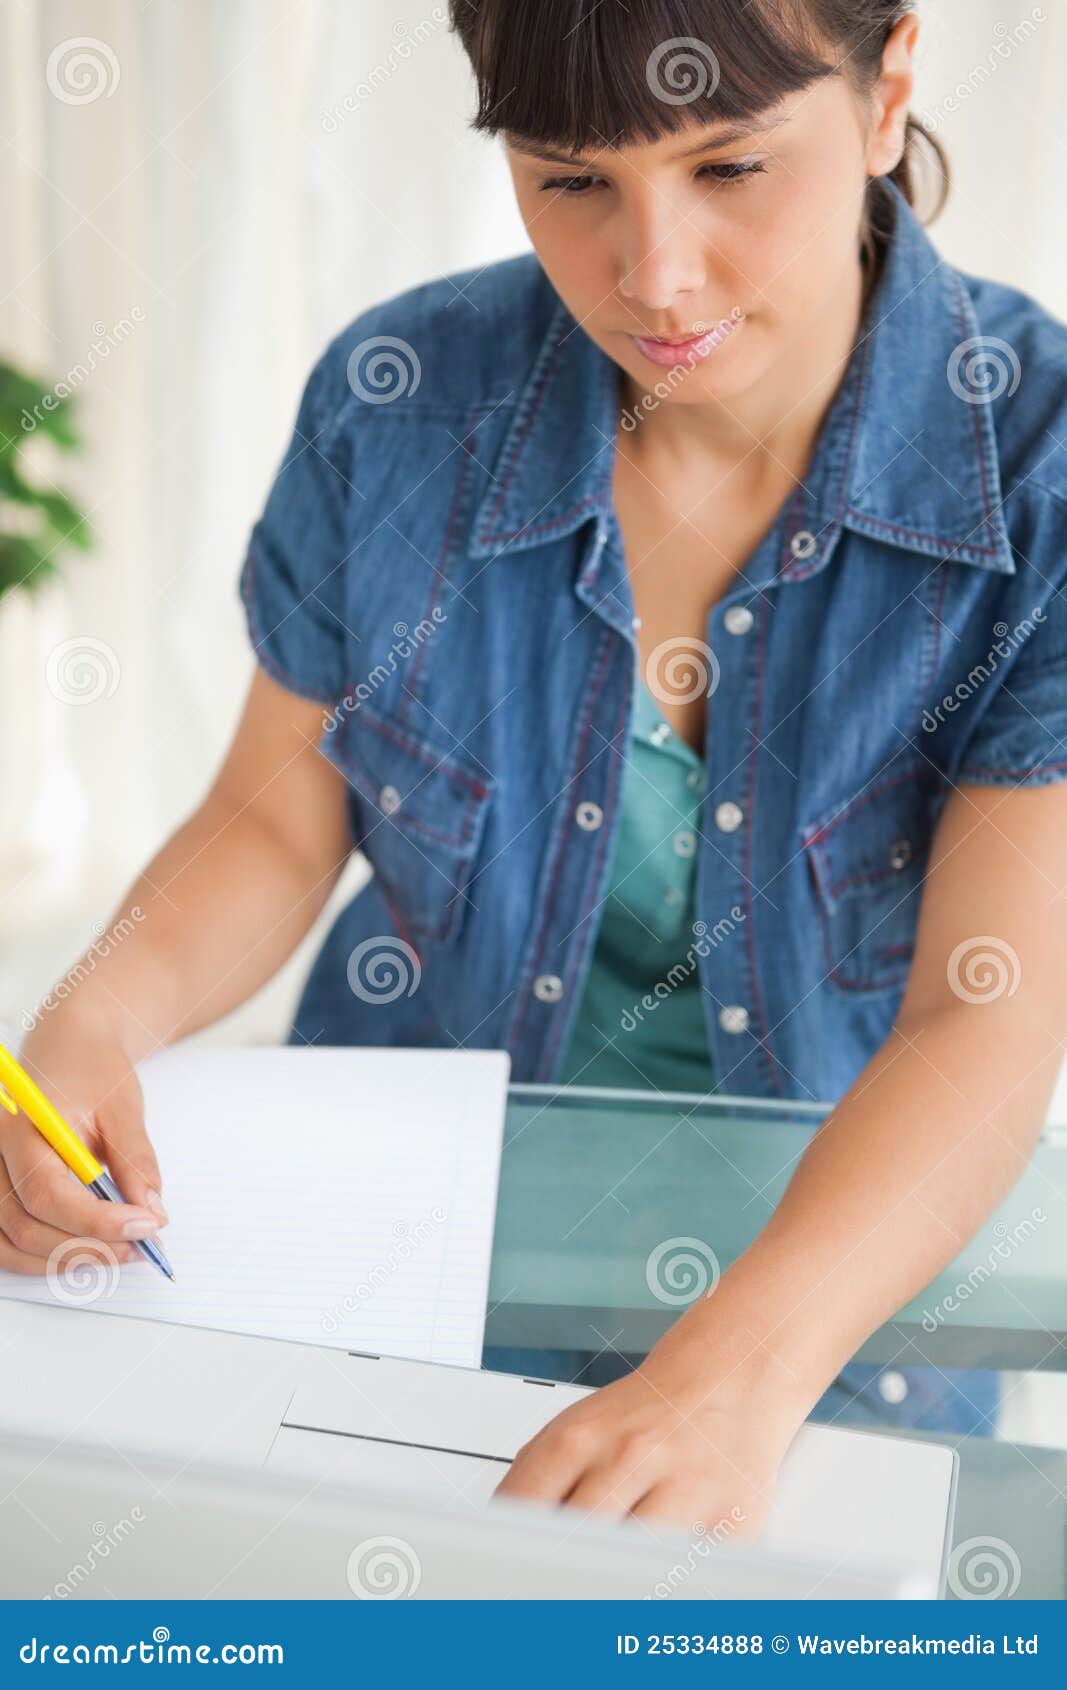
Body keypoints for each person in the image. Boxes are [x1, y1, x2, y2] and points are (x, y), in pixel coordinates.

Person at [6, 0, 1067, 1535]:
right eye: (572, 179)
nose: (656, 277)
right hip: (388, 1257)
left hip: (826, 1308)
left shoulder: (1036, 472)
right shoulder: (402, 402)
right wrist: (91, 1011)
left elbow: (991, 1008)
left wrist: (734, 1375)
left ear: (889, 84)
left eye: (731, 167)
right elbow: (277, 819)